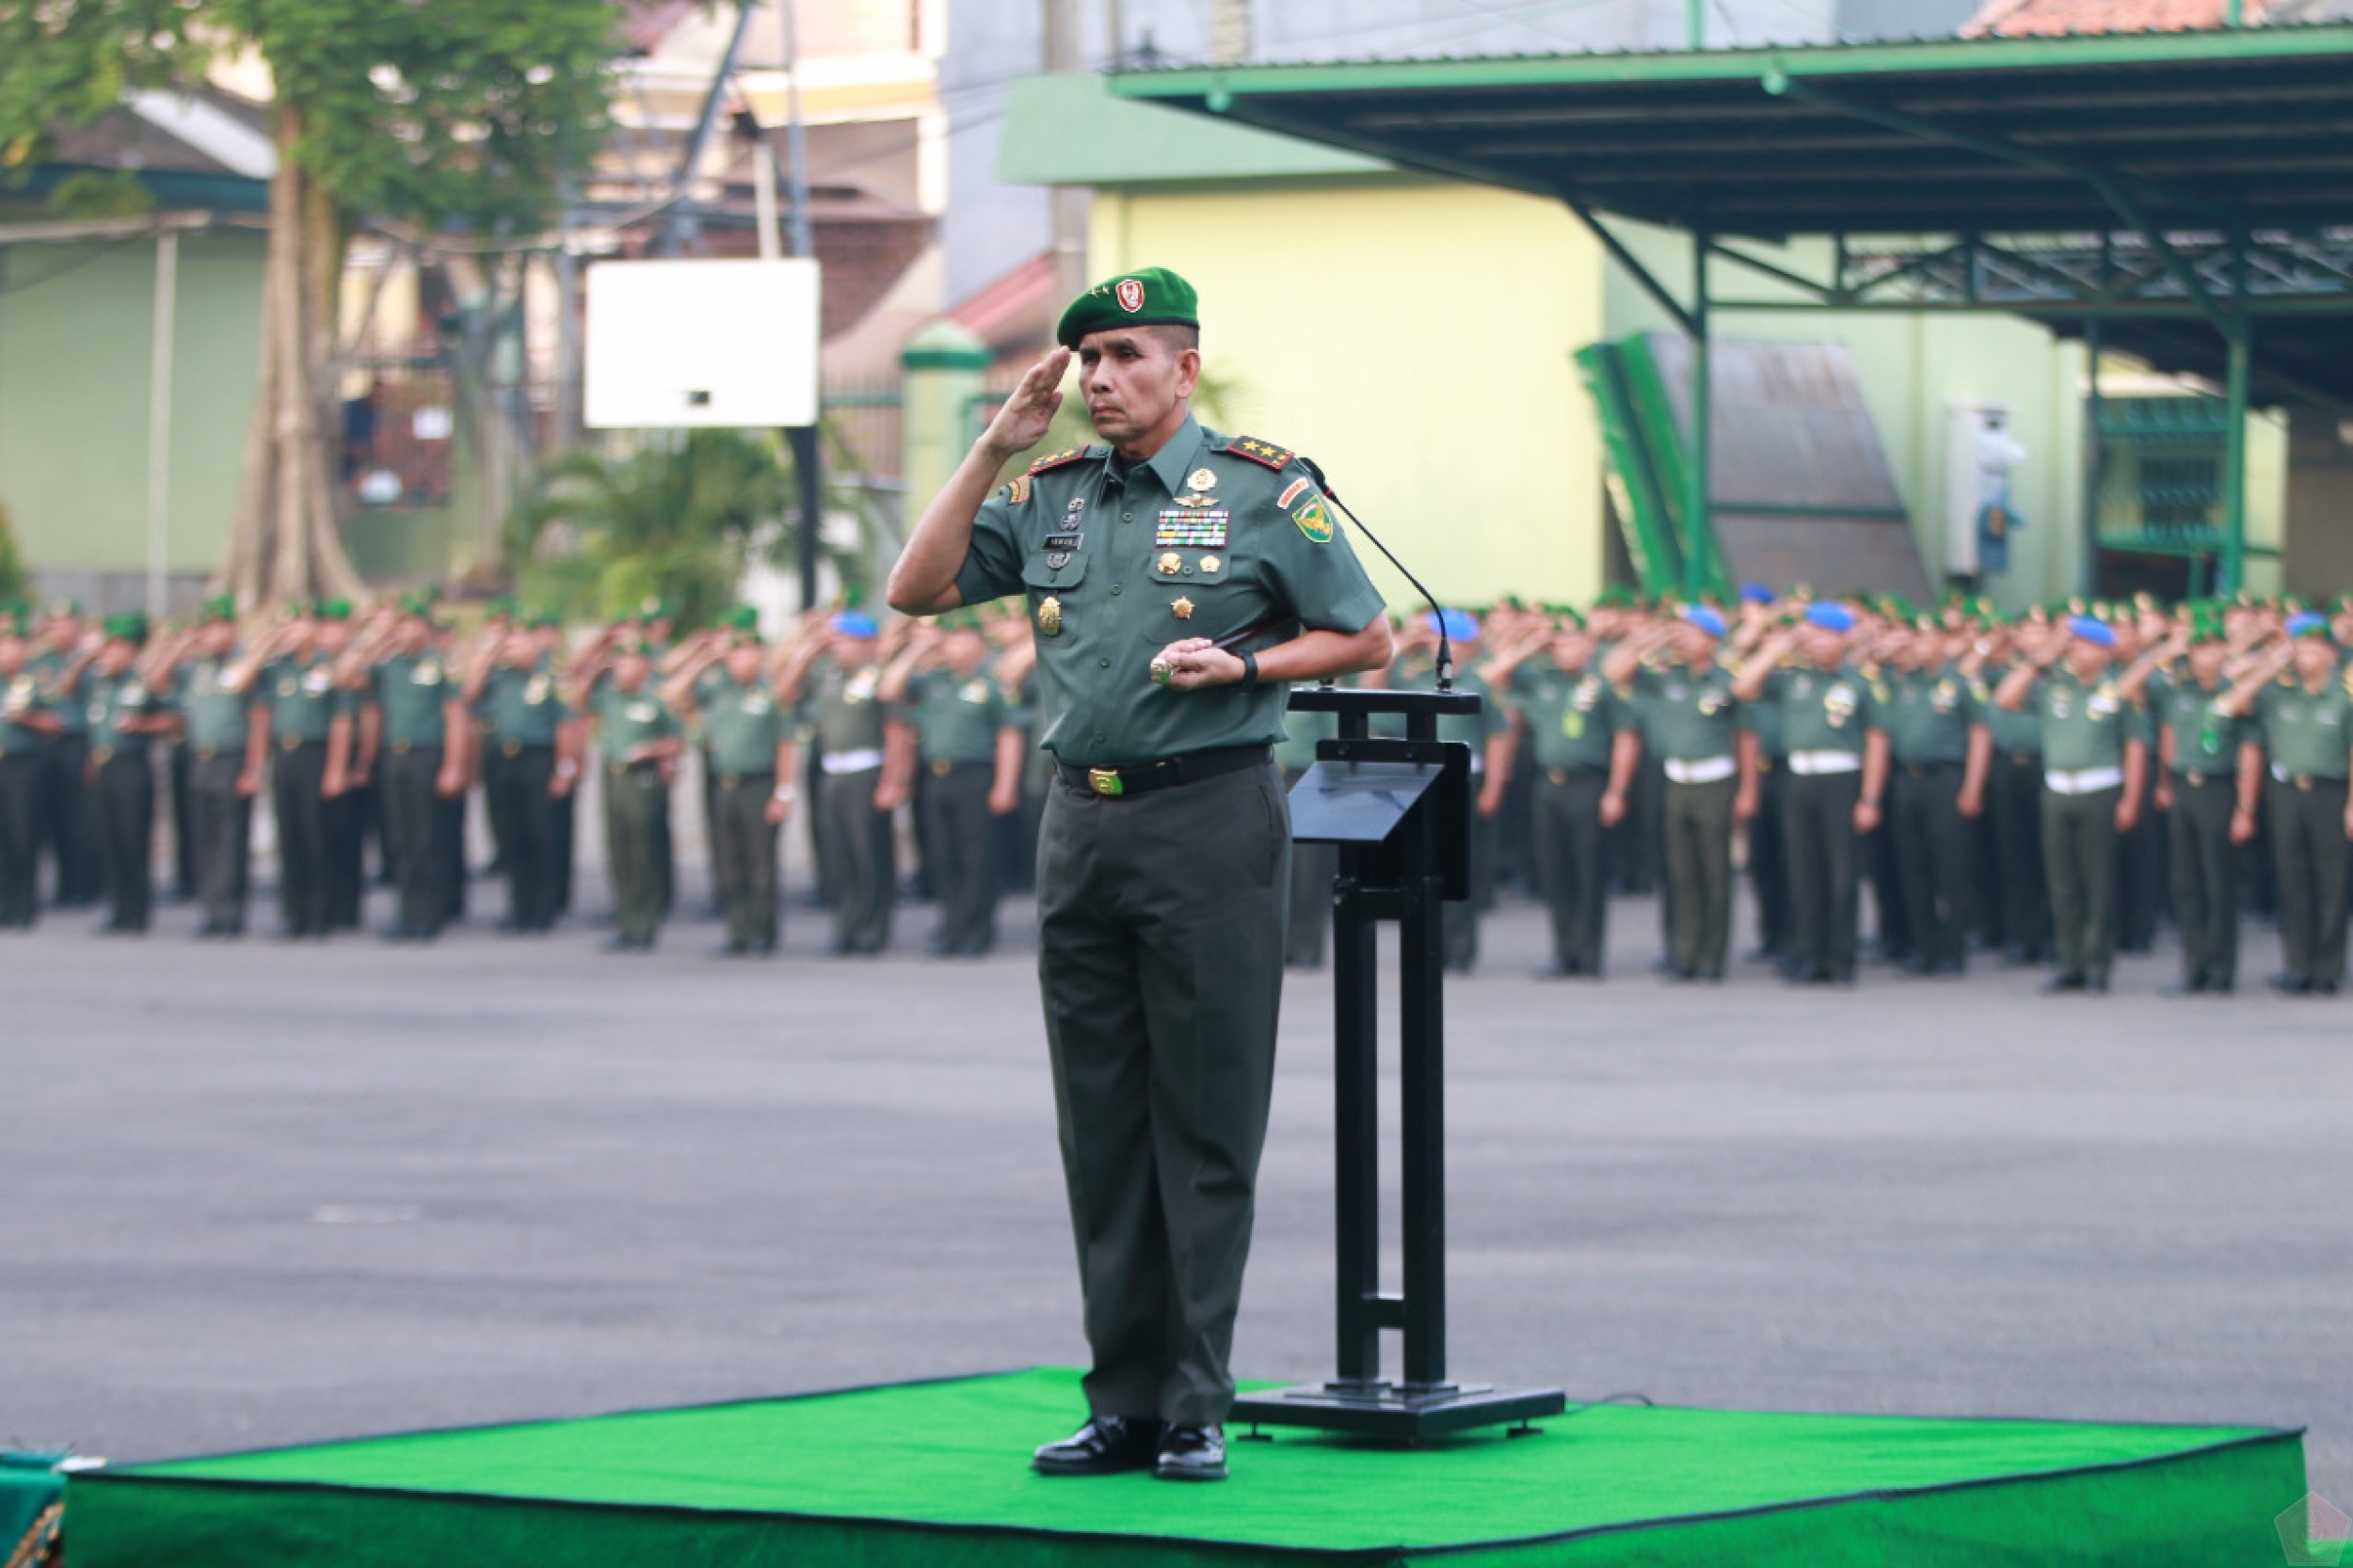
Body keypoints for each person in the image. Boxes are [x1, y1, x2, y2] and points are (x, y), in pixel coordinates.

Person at [885, 266, 1391, 1482]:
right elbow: (917, 589)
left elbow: (1368, 635)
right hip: (1084, 825)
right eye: (1088, 362)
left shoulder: (1265, 490)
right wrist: (992, 448)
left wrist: (1252, 669)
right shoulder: (1052, 493)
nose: (1100, 381)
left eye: (1123, 357)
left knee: (1205, 1125)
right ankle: (1121, 1400)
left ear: (1183, 367)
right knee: (1101, 1130)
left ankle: (1196, 1399)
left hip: (1209, 819)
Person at [1733, 601, 1888, 985]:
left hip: (1841, 776)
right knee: (1803, 870)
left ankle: (1840, 957)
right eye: (1812, 634)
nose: (1817, 643)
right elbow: (1743, 686)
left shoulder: (1859, 683)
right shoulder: (1792, 678)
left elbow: (1876, 742)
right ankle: (1809, 953)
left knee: (1840, 872)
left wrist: (1870, 797)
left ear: (1843, 638)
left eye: (1825, 635)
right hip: (1799, 776)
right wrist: (1775, 648)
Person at [1993, 615, 2149, 995]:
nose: (2080, 652)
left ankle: (2097, 963)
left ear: (2105, 652)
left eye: (2089, 646)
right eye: (2075, 645)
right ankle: (2070, 962)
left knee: (2097, 882)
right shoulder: (2054, 687)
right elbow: (2006, 698)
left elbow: (2135, 747)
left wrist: (2130, 799)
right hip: (2059, 791)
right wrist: (2040, 659)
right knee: (2063, 882)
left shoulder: (2118, 690)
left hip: (2099, 790)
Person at [1485, 608, 1638, 978]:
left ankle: (1589, 954)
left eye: (1573, 640)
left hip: (1588, 784)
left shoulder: (1603, 686)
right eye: (1560, 642)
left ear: (1589, 644)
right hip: (1548, 785)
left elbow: (1625, 738)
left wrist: (1617, 790)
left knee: (1587, 871)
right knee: (1555, 871)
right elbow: (1494, 675)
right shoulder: (1540, 680)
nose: (1565, 649)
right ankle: (1564, 950)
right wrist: (1533, 643)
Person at [1609, 606, 1753, 982]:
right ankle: (1684, 953)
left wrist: (1747, 789)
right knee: (1682, 872)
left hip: (1714, 781)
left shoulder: (1726, 680)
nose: (1683, 639)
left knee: (1714, 873)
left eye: (1691, 633)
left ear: (1712, 639)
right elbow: (1614, 672)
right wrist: (1650, 639)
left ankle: (1711, 958)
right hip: (1677, 781)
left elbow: (1746, 739)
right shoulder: (1667, 676)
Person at [2219, 613, 2353, 996]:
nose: (2306, 655)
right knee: (2292, 880)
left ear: (2330, 653)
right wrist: (2272, 661)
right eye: (2301, 647)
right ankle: (2298, 965)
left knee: (2331, 882)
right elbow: (2233, 698)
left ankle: (2327, 968)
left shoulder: (2343, 699)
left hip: (2331, 791)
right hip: (2287, 792)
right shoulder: (2279, 694)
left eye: (2315, 647)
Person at [882, 615, 1026, 957]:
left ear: (979, 644)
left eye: (962, 639)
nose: (953, 645)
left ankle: (976, 930)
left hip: (975, 775)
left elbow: (1009, 736)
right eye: (950, 639)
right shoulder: (933, 681)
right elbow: (888, 690)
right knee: (942, 855)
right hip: (936, 776)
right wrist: (917, 650)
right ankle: (950, 926)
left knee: (976, 856)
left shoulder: (992, 684)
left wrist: (1005, 785)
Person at [665, 620, 798, 957]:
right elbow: (674, 695)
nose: (741, 660)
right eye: (735, 654)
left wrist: (784, 792)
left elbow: (786, 745)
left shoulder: (772, 694)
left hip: (759, 784)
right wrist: (704, 660)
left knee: (760, 866)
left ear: (760, 656)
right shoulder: (717, 689)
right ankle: (738, 931)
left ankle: (763, 932)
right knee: (729, 864)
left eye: (748, 653)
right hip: (724, 786)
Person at [780, 611, 905, 956]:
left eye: (842, 639)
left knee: (869, 855)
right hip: (833, 772)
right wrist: (807, 653)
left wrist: (891, 781)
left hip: (867, 770)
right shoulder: (827, 674)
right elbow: (787, 692)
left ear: (865, 642)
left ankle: (873, 929)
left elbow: (896, 731)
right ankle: (846, 926)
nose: (836, 646)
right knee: (839, 853)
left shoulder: (879, 676)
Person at [1881, 616, 1991, 977]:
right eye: (1916, 640)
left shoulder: (1959, 683)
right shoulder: (1902, 683)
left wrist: (1972, 788)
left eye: (1929, 639)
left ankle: (1952, 949)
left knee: (1950, 868)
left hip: (1945, 778)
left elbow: (1979, 735)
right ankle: (1923, 946)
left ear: (1944, 642)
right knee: (1913, 866)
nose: (1920, 647)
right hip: (1907, 780)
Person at [350, 599, 466, 941]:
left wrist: (454, 766)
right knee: (400, 838)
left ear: (427, 630)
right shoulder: (387, 667)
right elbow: (347, 676)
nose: (404, 632)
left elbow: (456, 718)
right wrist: (372, 641)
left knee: (426, 837)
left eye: (411, 625)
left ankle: (429, 915)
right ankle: (407, 911)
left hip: (427, 756)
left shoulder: (441, 666)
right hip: (394, 758)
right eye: (399, 625)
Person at [2149, 607, 2249, 995]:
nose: (2206, 657)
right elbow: (2167, 732)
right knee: (2186, 881)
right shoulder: (2178, 689)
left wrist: (2245, 806)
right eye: (2199, 649)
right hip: (2183, 786)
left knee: (2218, 881)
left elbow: (2250, 753)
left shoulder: (2236, 692)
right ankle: (2194, 966)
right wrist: (2165, 781)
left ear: (2225, 651)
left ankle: (2222, 968)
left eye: (2213, 649)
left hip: (2218, 787)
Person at [153, 600, 268, 938]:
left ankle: (231, 912)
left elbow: (259, 721)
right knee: (204, 837)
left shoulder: (243, 665)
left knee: (231, 839)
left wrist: (253, 769)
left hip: (231, 758)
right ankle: (211, 908)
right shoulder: (195, 669)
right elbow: (158, 680)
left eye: (220, 627)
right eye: (207, 628)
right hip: (199, 759)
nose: (212, 634)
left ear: (232, 630)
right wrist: (181, 648)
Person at [463, 623, 580, 934]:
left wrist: (565, 769)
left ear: (535, 646)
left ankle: (542, 909)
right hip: (502, 759)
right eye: (509, 645)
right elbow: (470, 695)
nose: (512, 651)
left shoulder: (552, 678)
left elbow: (565, 726)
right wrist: (487, 655)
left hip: (538, 758)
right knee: (511, 836)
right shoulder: (498, 678)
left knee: (540, 835)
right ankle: (519, 906)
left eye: (519, 644)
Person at [78, 615, 176, 933]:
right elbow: (66, 687)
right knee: (109, 841)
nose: (107, 654)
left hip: (132, 766)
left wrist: (142, 725)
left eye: (115, 648)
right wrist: (88, 657)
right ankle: (118, 909)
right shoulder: (99, 682)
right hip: (103, 766)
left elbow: (174, 719)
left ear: (131, 650)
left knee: (133, 841)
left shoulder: (142, 682)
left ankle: (138, 911)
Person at [588, 642, 683, 952]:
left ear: (645, 664)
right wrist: (596, 668)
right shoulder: (611, 696)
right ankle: (626, 920)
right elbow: (577, 699)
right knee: (620, 853)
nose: (621, 669)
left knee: (644, 854)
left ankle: (646, 922)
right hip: (614, 778)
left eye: (629, 663)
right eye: (618, 663)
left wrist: (651, 751)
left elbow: (677, 741)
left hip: (642, 779)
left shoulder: (658, 697)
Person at [0, 613, 64, 928]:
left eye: (10, 643)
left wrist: (26, 717)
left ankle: (24, 906)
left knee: (22, 835)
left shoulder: (35, 681)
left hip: (22, 764)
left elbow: (58, 723)